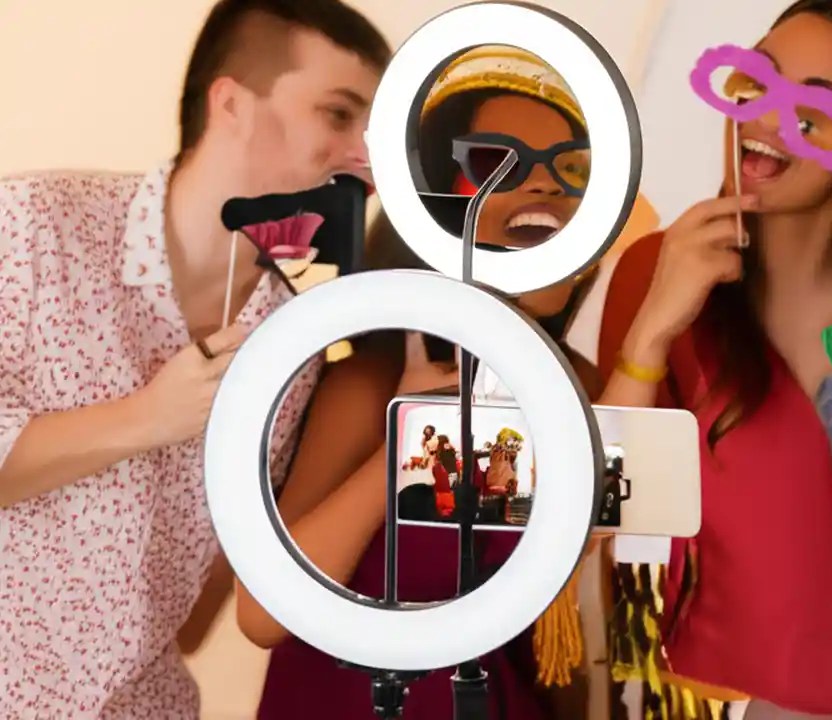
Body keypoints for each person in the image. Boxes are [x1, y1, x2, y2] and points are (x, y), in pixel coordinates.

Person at [0, 0, 387, 716]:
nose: (367, 151)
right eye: (339, 115)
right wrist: (148, 417)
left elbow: (204, 600)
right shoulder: (28, 228)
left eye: (377, 126)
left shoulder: (296, 332)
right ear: (232, 103)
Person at [239, 46, 602, 720]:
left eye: (573, 170)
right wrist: (413, 437)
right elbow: (262, 615)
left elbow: (561, 640)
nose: (548, 187)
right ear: (433, 200)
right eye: (498, 162)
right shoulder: (369, 381)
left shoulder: (578, 388)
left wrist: (647, 349)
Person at [595, 0, 832, 715]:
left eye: (819, 108)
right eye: (757, 82)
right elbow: (600, 513)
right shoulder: (658, 271)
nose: (769, 121)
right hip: (679, 694)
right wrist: (654, 328)